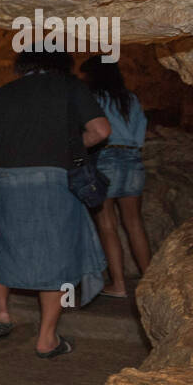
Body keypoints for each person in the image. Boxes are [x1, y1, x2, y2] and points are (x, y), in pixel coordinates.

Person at [0, 46, 111, 358]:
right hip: (54, 182)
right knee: (56, 253)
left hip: (7, 182)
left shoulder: (0, 95)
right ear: (61, 63)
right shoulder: (71, 88)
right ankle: (46, 338)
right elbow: (101, 130)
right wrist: (71, 145)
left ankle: (0, 312)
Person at [80, 55, 151, 295]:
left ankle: (119, 285)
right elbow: (141, 133)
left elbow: (89, 132)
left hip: (105, 157)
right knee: (134, 223)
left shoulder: (93, 98)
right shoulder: (130, 98)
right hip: (132, 159)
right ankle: (151, 285)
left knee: (108, 225)